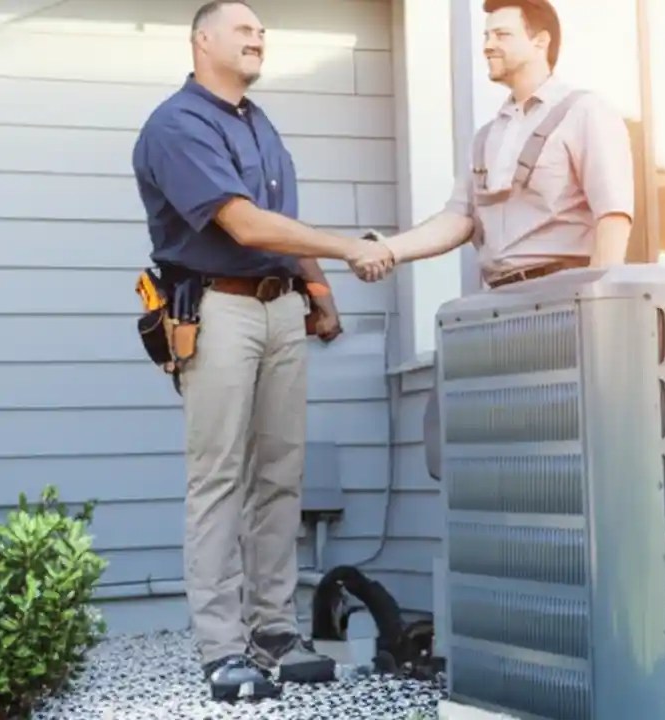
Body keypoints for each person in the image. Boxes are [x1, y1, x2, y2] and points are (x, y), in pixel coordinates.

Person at [130, 0, 395, 702]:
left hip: (280, 308)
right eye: (244, 30)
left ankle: (273, 629)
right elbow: (246, 226)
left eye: (261, 31)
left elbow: (282, 226)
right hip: (216, 308)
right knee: (218, 476)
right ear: (202, 40)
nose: (258, 38)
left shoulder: (259, 122)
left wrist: (319, 287)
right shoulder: (177, 125)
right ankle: (222, 646)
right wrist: (349, 248)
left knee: (280, 474)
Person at [353, 0, 635, 285]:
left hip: (563, 293)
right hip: (501, 297)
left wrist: (599, 298)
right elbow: (459, 218)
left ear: (540, 41)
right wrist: (388, 250)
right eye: (486, 36)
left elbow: (613, 216)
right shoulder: (487, 136)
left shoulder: (584, 111)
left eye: (502, 35)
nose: (488, 46)